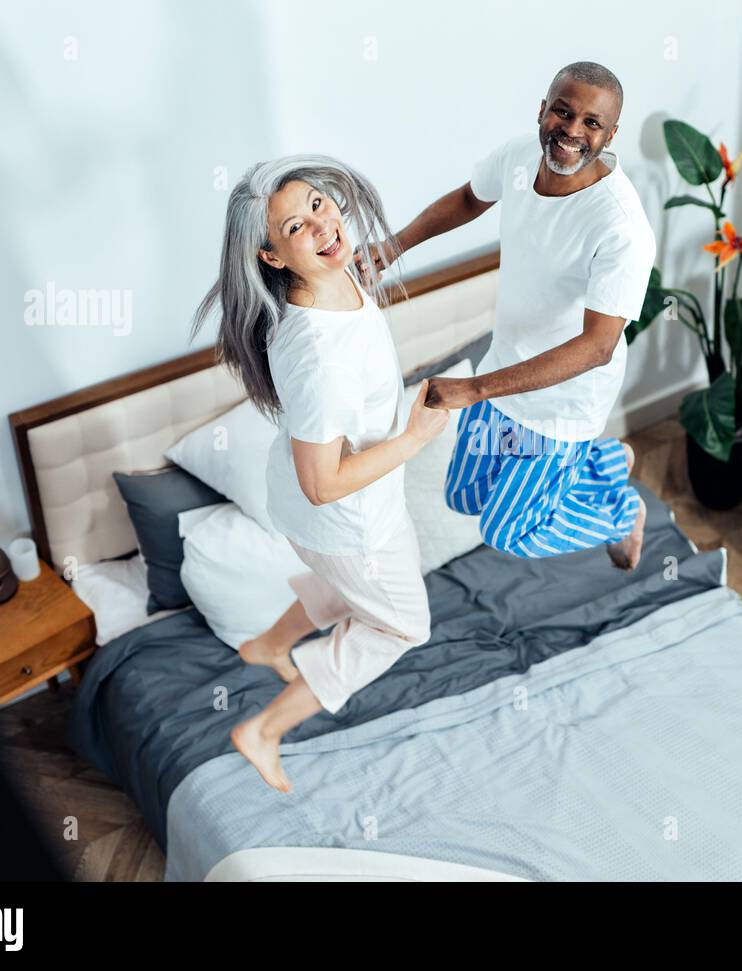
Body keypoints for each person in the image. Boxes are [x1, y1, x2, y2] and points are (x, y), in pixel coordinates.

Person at [191, 156, 448, 792]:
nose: (321, 224)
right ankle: (263, 730)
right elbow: (323, 482)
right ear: (272, 258)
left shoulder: (335, 280)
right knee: (402, 624)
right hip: (343, 514)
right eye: (295, 228)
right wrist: (414, 438)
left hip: (328, 519)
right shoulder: (318, 355)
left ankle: (268, 646)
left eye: (316, 203)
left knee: (350, 586)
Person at [358, 61, 656, 569]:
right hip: (505, 376)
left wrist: (473, 389)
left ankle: (621, 511)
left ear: (610, 135)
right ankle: (607, 461)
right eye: (563, 112)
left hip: (561, 410)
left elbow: (597, 347)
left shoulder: (621, 227)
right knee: (464, 500)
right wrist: (393, 246)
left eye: (592, 123)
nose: (572, 131)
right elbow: (471, 198)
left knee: (508, 532)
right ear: (543, 110)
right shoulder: (521, 156)